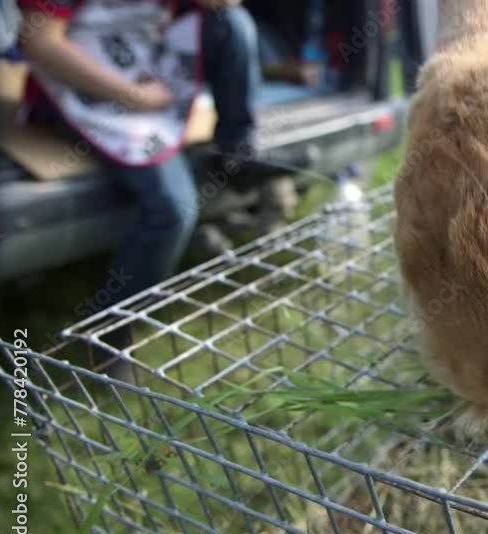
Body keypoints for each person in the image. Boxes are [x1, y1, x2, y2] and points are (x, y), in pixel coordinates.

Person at [15, 0, 288, 311]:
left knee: (229, 20)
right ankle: (110, 333)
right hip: (81, 90)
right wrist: (131, 96)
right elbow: (40, 41)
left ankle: (237, 153)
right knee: (173, 209)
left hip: (146, 66)